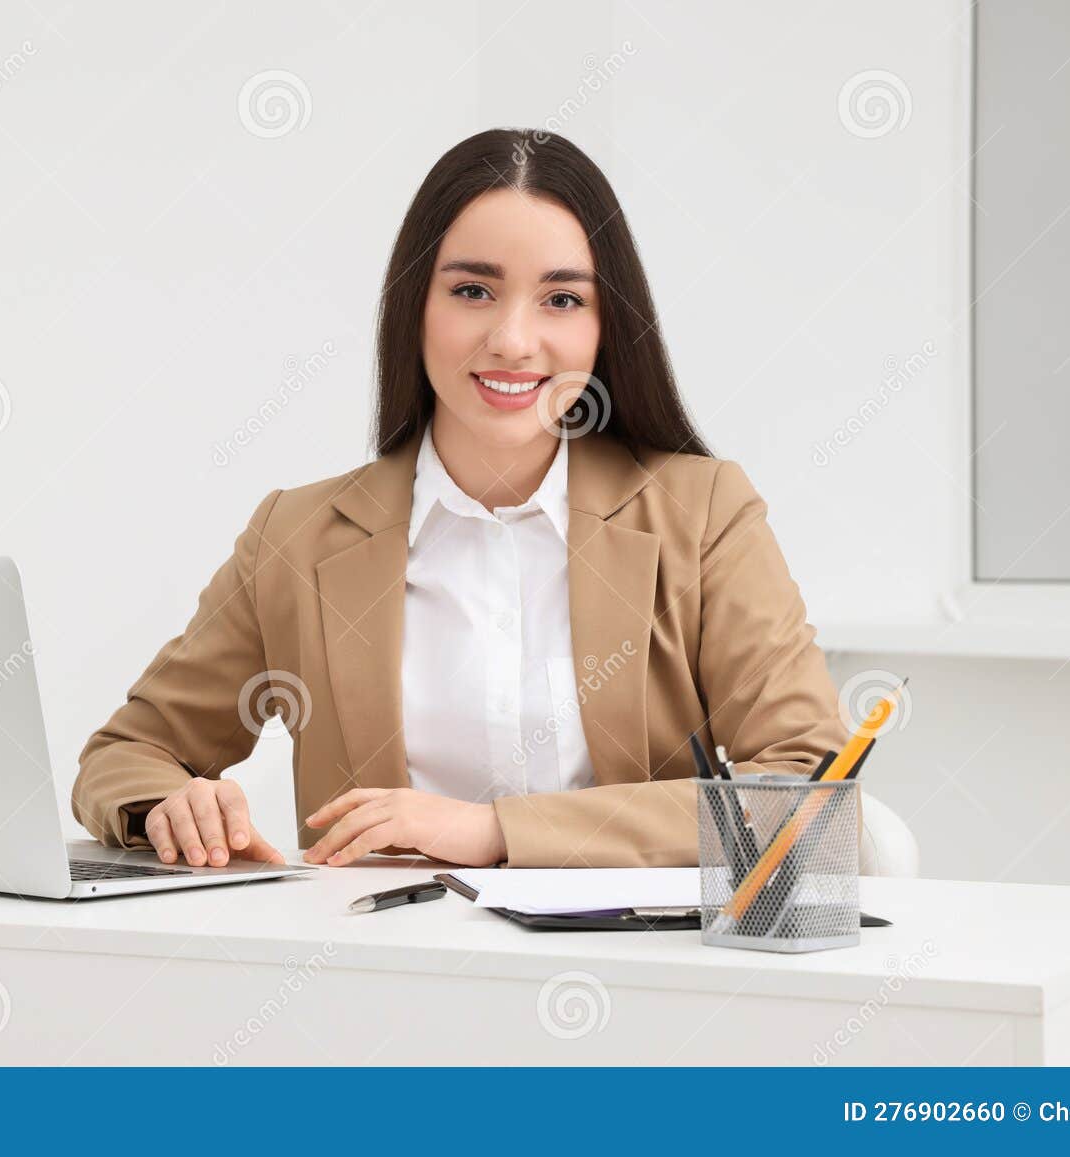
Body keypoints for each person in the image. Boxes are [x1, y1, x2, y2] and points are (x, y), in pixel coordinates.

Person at [70, 127, 847, 870]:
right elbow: (126, 756)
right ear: (416, 307)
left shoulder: (702, 513)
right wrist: (170, 803)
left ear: (607, 325)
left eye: (562, 299)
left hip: (632, 970)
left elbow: (807, 787)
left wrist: (500, 831)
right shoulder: (298, 537)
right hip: (381, 973)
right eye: (473, 290)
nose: (512, 339)